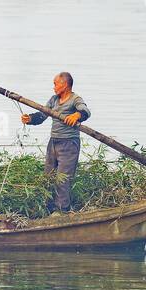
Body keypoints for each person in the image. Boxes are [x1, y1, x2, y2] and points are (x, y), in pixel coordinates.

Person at [22, 72, 91, 214]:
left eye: (55, 84)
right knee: (49, 176)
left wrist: (77, 115)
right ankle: (47, 208)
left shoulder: (75, 99)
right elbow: (42, 115)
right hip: (53, 143)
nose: (53, 87)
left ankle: (61, 211)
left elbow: (85, 111)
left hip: (69, 144)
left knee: (62, 179)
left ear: (64, 84)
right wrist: (30, 119)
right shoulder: (54, 100)